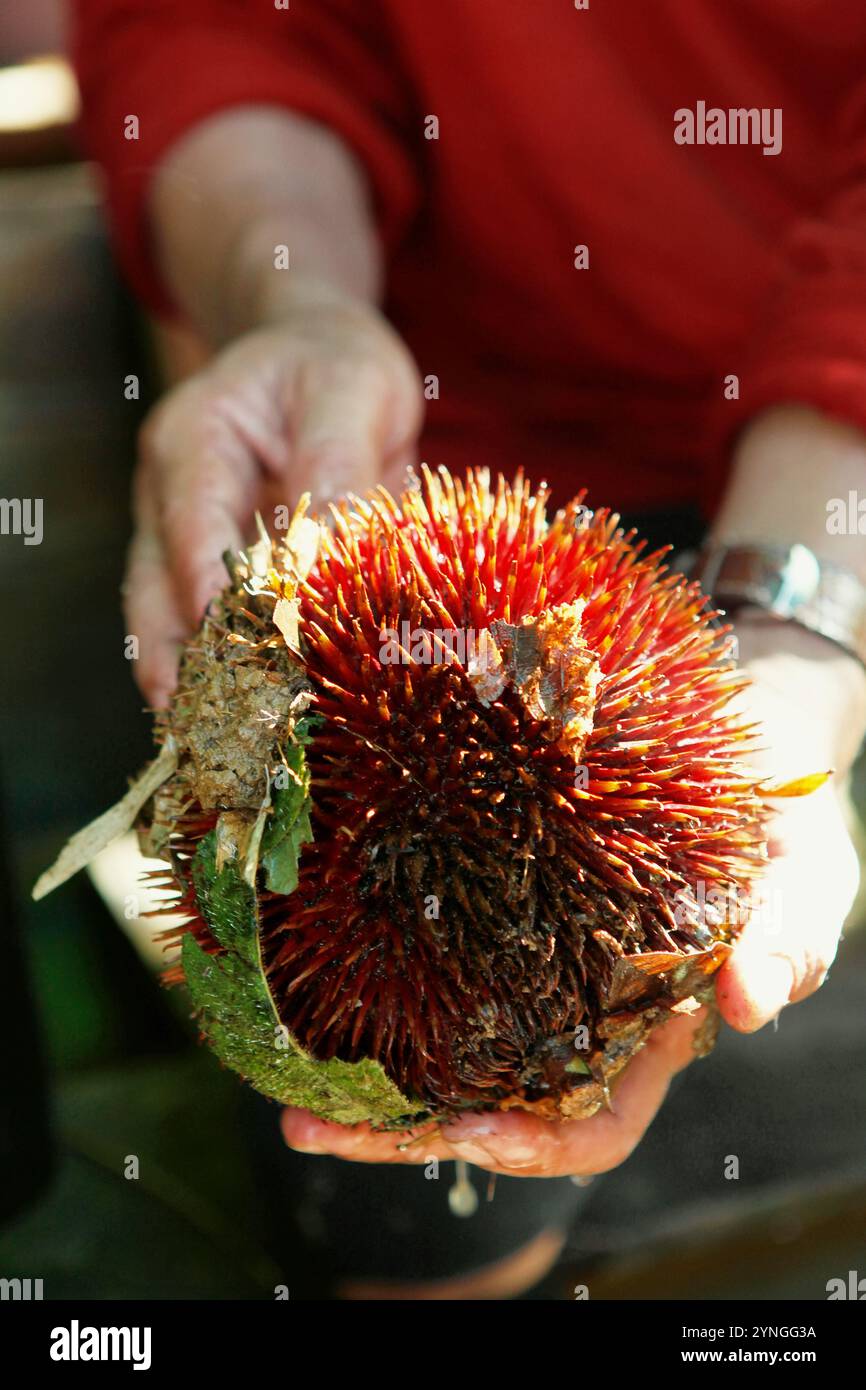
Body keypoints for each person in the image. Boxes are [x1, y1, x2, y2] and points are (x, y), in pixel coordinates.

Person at [70, 1, 866, 1296]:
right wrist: (298, 307)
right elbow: (218, 28)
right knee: (415, 1240)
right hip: (383, 450)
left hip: (820, 457)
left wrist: (800, 621)